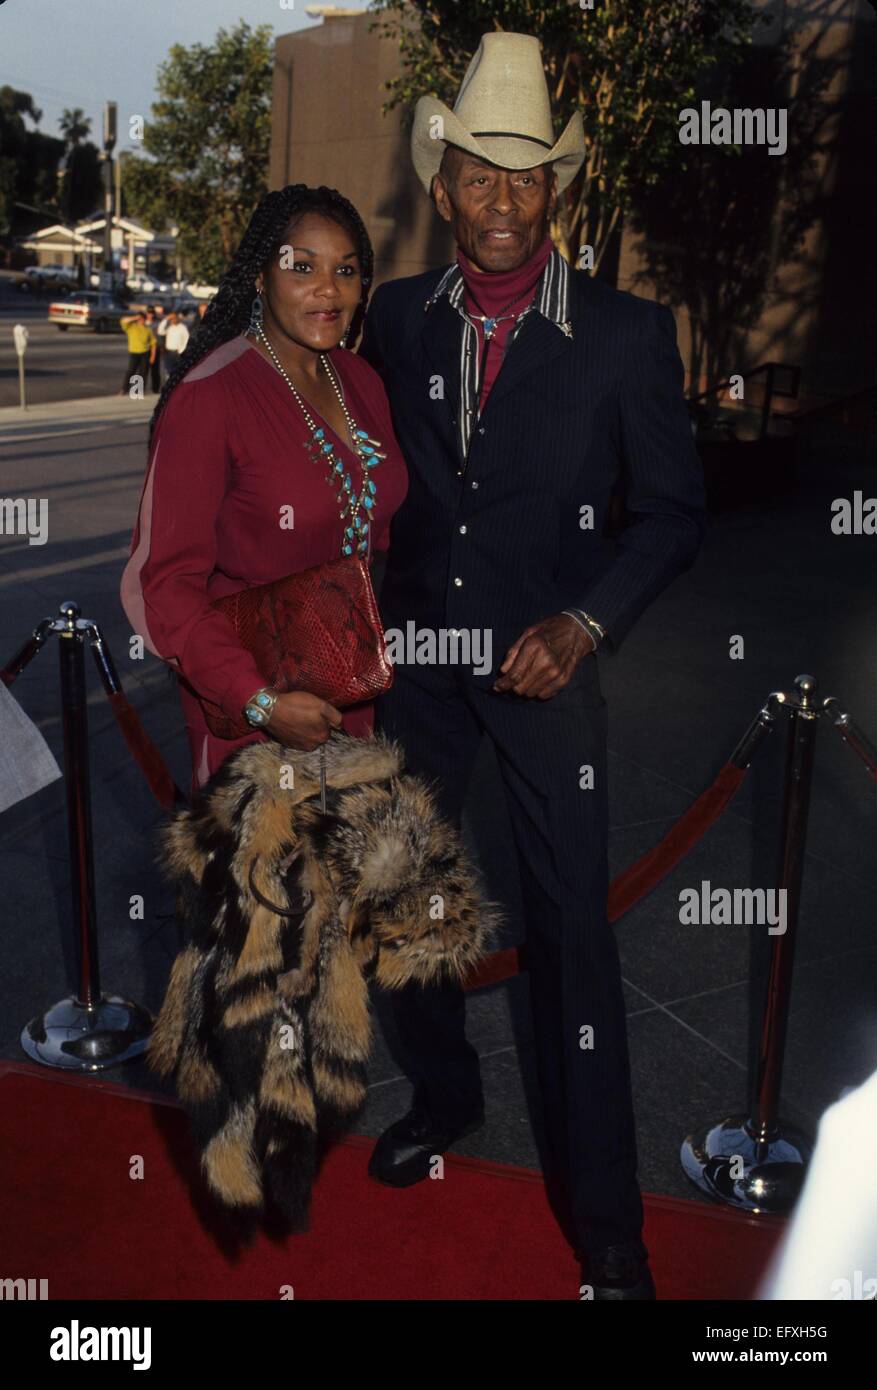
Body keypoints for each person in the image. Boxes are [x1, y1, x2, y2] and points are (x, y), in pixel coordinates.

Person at [358, 31, 706, 1300]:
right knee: (406, 912)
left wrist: (588, 622)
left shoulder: (623, 335)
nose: (502, 204)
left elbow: (672, 512)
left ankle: (606, 1215)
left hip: (546, 670)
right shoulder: (395, 317)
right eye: (479, 176)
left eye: (527, 179)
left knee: (569, 935)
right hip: (419, 673)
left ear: (554, 189)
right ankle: (443, 1100)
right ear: (441, 181)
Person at [119, 186, 408, 794]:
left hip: (350, 690)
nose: (328, 289)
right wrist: (258, 701)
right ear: (259, 277)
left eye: (346, 270)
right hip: (253, 710)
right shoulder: (211, 395)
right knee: (270, 887)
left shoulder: (361, 380)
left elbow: (376, 529)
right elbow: (165, 585)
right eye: (301, 267)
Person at [118, 310, 155, 396]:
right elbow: (123, 320)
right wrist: (136, 317)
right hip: (134, 353)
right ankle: (124, 389)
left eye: (143, 319)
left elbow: (153, 343)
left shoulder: (148, 329)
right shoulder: (131, 327)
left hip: (145, 353)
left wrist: (152, 355)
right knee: (131, 371)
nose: (141, 320)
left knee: (143, 372)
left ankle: (139, 390)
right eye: (140, 319)